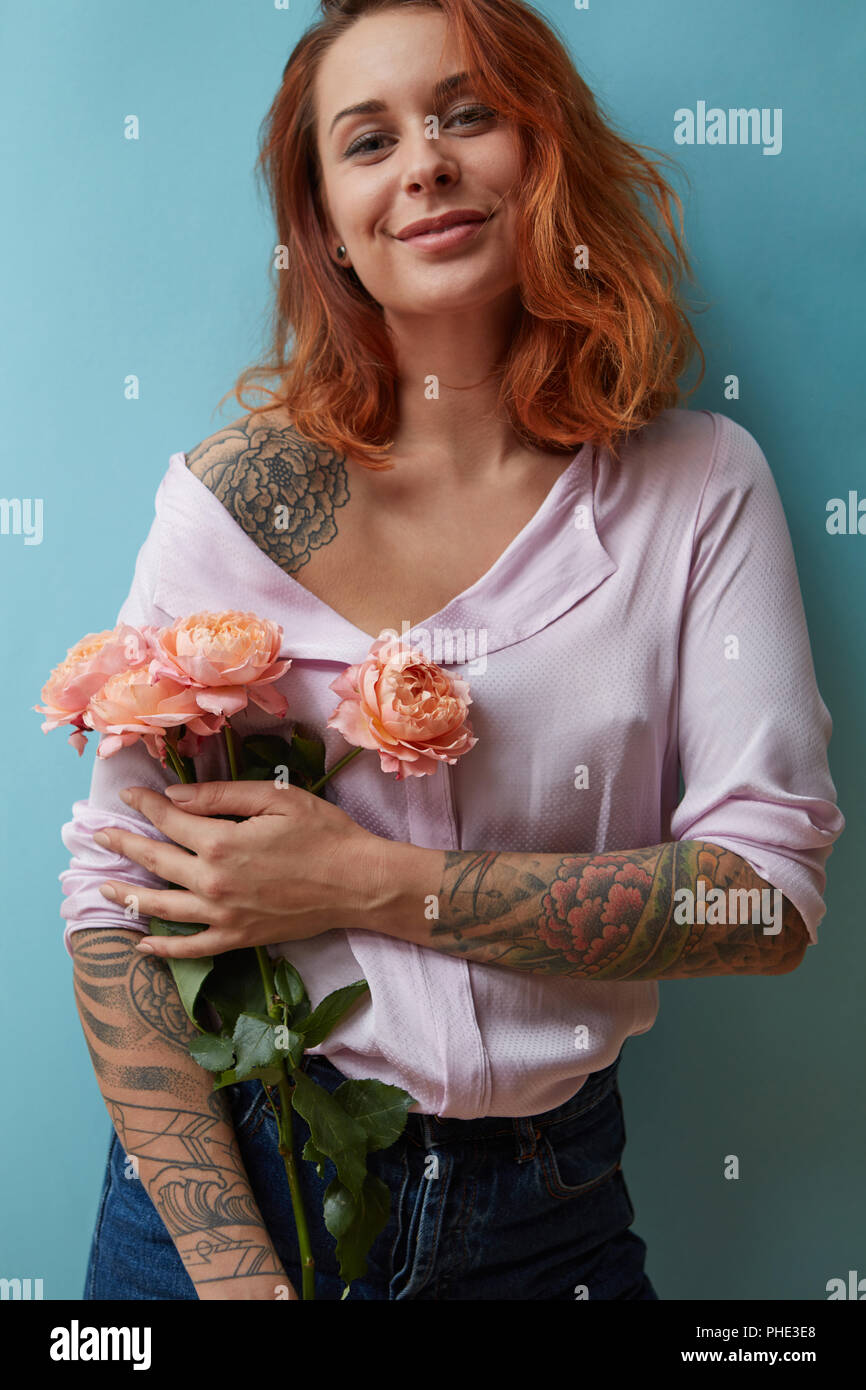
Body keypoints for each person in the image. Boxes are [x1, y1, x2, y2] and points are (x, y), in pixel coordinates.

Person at [60, 0, 845, 1301]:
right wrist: (236, 1278)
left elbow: (760, 902)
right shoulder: (239, 498)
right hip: (236, 1195)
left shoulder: (698, 485)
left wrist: (371, 882)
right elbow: (113, 907)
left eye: (462, 114)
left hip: (547, 1215)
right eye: (366, 140)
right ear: (328, 224)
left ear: (542, 153)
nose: (420, 161)